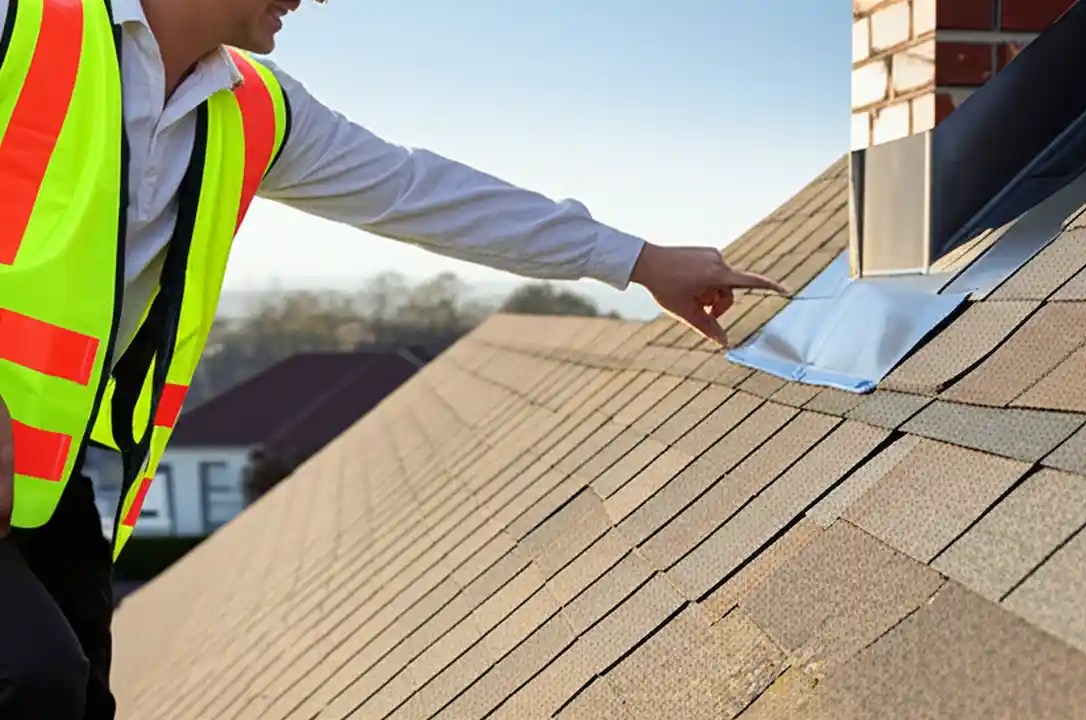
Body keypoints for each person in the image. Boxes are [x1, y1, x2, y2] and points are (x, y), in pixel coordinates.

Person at [0, 0, 787, 717]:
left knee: (74, 694)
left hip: (43, 493)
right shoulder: (23, 26)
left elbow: (421, 192)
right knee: (36, 679)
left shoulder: (255, 110)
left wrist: (642, 261)